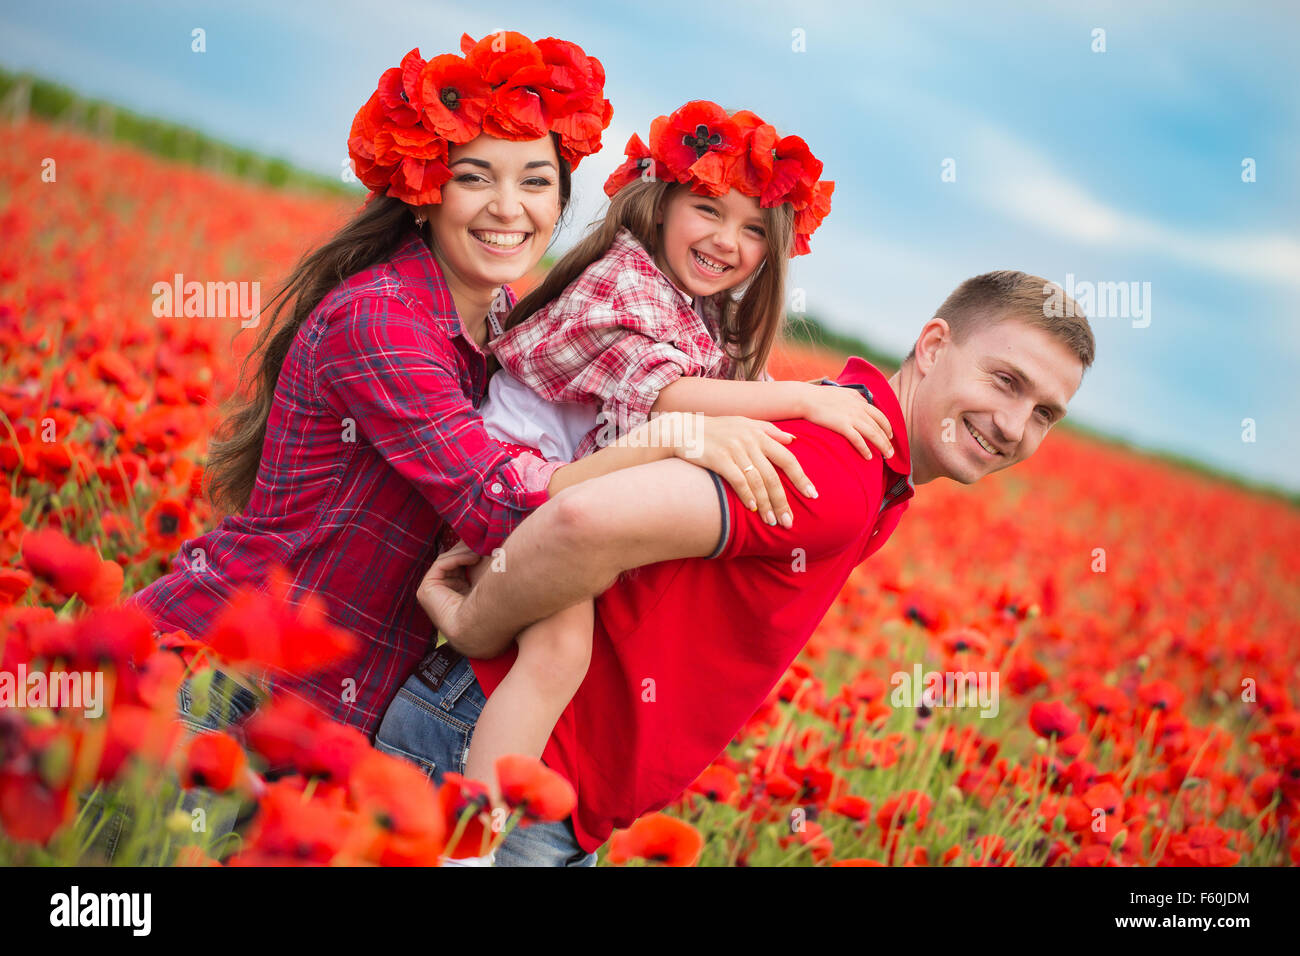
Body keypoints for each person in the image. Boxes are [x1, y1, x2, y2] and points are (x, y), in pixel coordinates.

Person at [110, 33, 807, 861]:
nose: (509, 208)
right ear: (424, 189)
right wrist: (680, 433)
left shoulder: (506, 319)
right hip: (211, 685)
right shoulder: (381, 319)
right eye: (475, 177)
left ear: (561, 200)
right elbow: (504, 508)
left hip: (330, 716)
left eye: (536, 181)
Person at [387, 270, 1097, 866]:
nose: (1013, 425)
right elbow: (583, 520)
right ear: (935, 345)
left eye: (1044, 413)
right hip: (501, 758)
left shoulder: (871, 463)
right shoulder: (840, 469)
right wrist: (476, 624)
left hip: (543, 780)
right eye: (1005, 381)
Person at [457, 99, 896, 818]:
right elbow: (663, 395)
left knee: (563, 644)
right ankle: (468, 840)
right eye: (709, 209)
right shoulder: (625, 277)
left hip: (570, 487)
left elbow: (719, 391)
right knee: (560, 654)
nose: (728, 241)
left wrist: (797, 397)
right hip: (515, 474)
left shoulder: (699, 311)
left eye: (755, 229)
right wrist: (807, 403)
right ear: (660, 206)